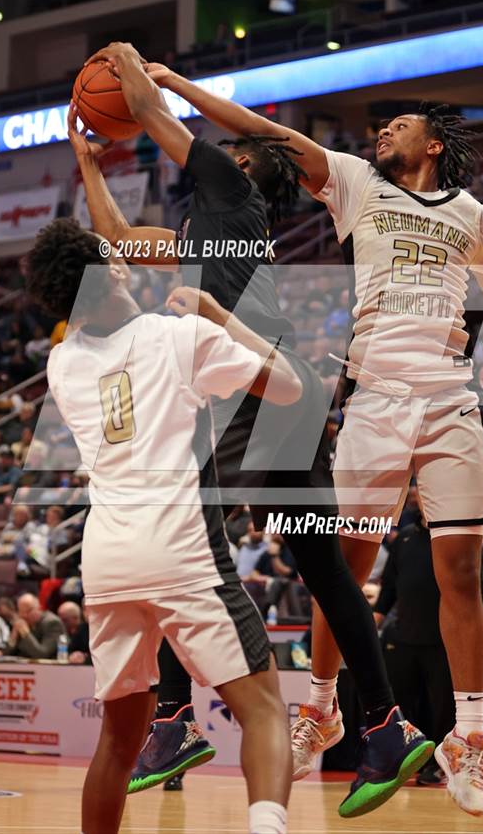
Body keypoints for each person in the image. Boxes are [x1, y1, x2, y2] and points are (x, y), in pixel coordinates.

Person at [138, 55, 483, 817]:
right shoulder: (355, 180)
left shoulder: (472, 213)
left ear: (434, 142)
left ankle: (467, 740)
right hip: (374, 394)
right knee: (340, 567)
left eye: (398, 124)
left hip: (450, 391)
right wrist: (178, 89)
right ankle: (322, 706)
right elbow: (266, 131)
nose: (383, 131)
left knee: (460, 570)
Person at [74, 42, 431, 818]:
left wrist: (134, 64)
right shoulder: (212, 234)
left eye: (229, 148)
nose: (214, 152)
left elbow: (146, 112)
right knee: (320, 569)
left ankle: (174, 720)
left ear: (241, 166)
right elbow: (119, 244)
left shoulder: (232, 189)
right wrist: (90, 168)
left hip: (262, 391)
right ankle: (384, 726)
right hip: (267, 398)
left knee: (181, 534)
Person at [26, 218, 301, 834]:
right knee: (262, 710)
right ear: (116, 269)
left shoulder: (60, 363)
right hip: (179, 546)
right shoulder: (183, 335)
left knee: (120, 743)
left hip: (106, 560)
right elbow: (287, 387)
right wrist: (218, 314)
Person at [373, 509, 453, 787]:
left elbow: (476, 589)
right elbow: (389, 587)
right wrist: (377, 618)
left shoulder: (453, 534)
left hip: (442, 638)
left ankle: (437, 764)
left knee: (442, 705)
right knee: (404, 704)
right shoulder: (404, 538)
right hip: (404, 635)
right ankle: (406, 759)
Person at [4, 593, 64, 659]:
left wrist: (26, 634)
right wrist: (13, 636)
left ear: (39, 608)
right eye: (21, 611)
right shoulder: (20, 623)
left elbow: (41, 655)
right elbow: (5, 655)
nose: (25, 615)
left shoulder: (52, 623)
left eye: (28, 611)